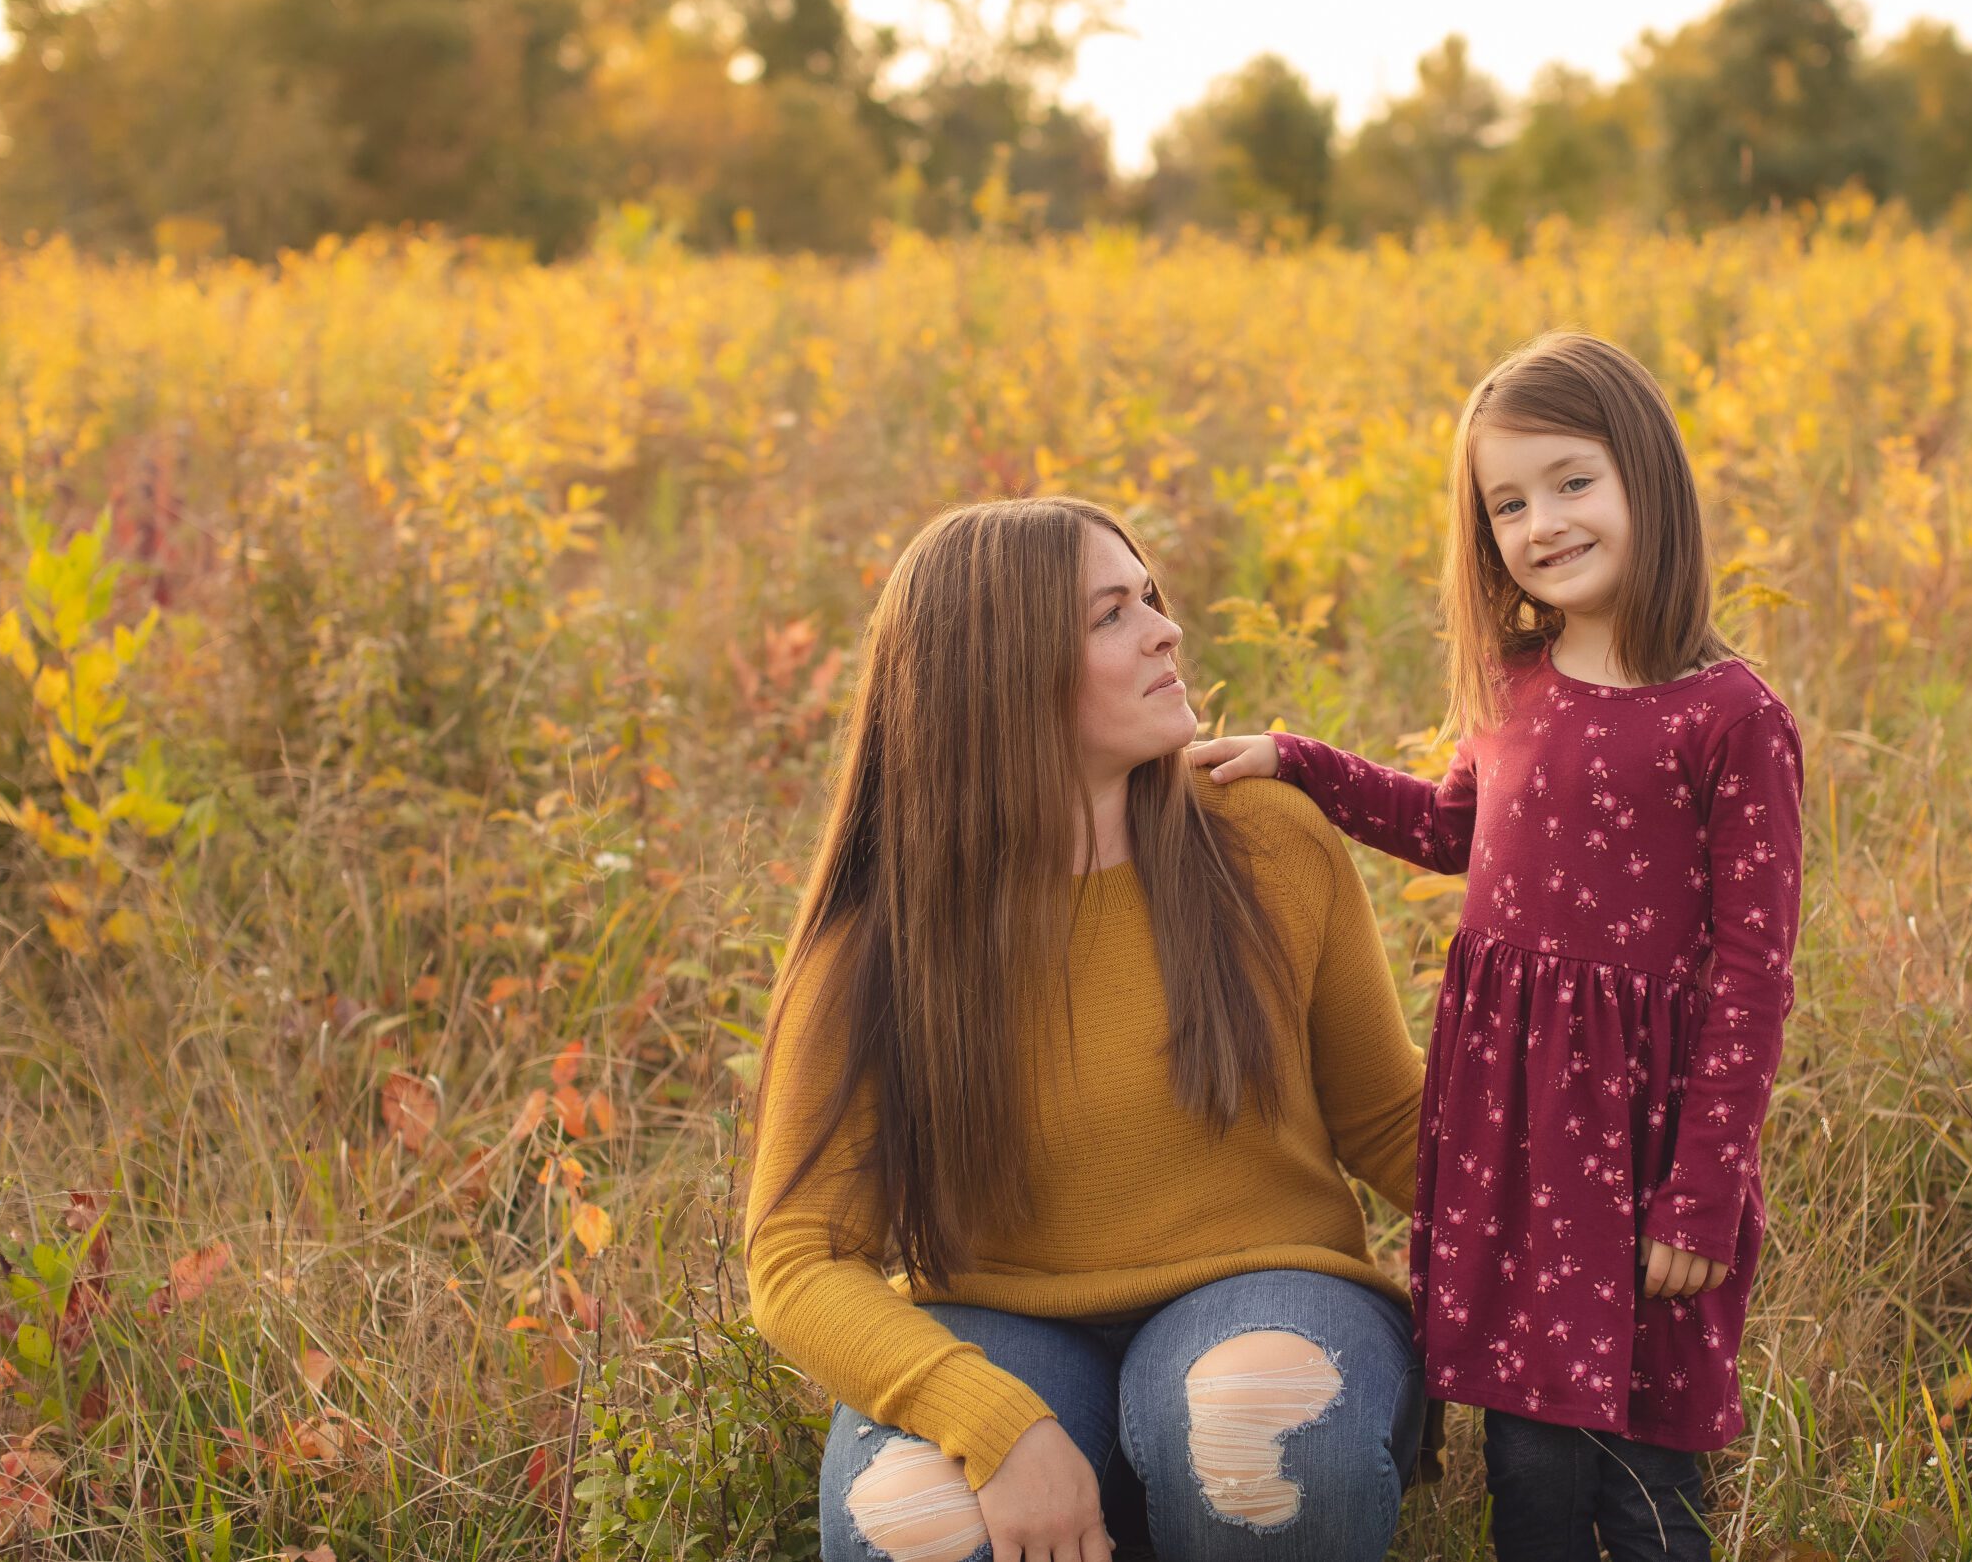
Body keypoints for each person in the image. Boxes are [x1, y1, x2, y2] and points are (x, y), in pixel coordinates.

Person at [1191, 332, 1805, 1562]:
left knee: (1644, 1456)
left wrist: (1701, 1188)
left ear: (1647, 477)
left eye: (1572, 482)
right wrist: (1298, 763)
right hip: (1520, 1128)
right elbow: (1446, 825)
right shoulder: (1514, 681)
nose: (1542, 524)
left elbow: (1751, 977)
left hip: (1643, 1133)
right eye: (1507, 503)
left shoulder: (1732, 719)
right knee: (1524, 1446)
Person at [746, 496, 1431, 1562]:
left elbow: (1392, 1119)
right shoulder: (881, 940)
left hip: (1264, 1286)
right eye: (1111, 616)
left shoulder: (1268, 838)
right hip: (994, 1322)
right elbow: (797, 1257)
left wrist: (1604, 1219)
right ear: (998, 677)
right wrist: (992, 1423)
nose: (1165, 629)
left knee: (1252, 1432)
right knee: (916, 1524)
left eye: (1148, 598)